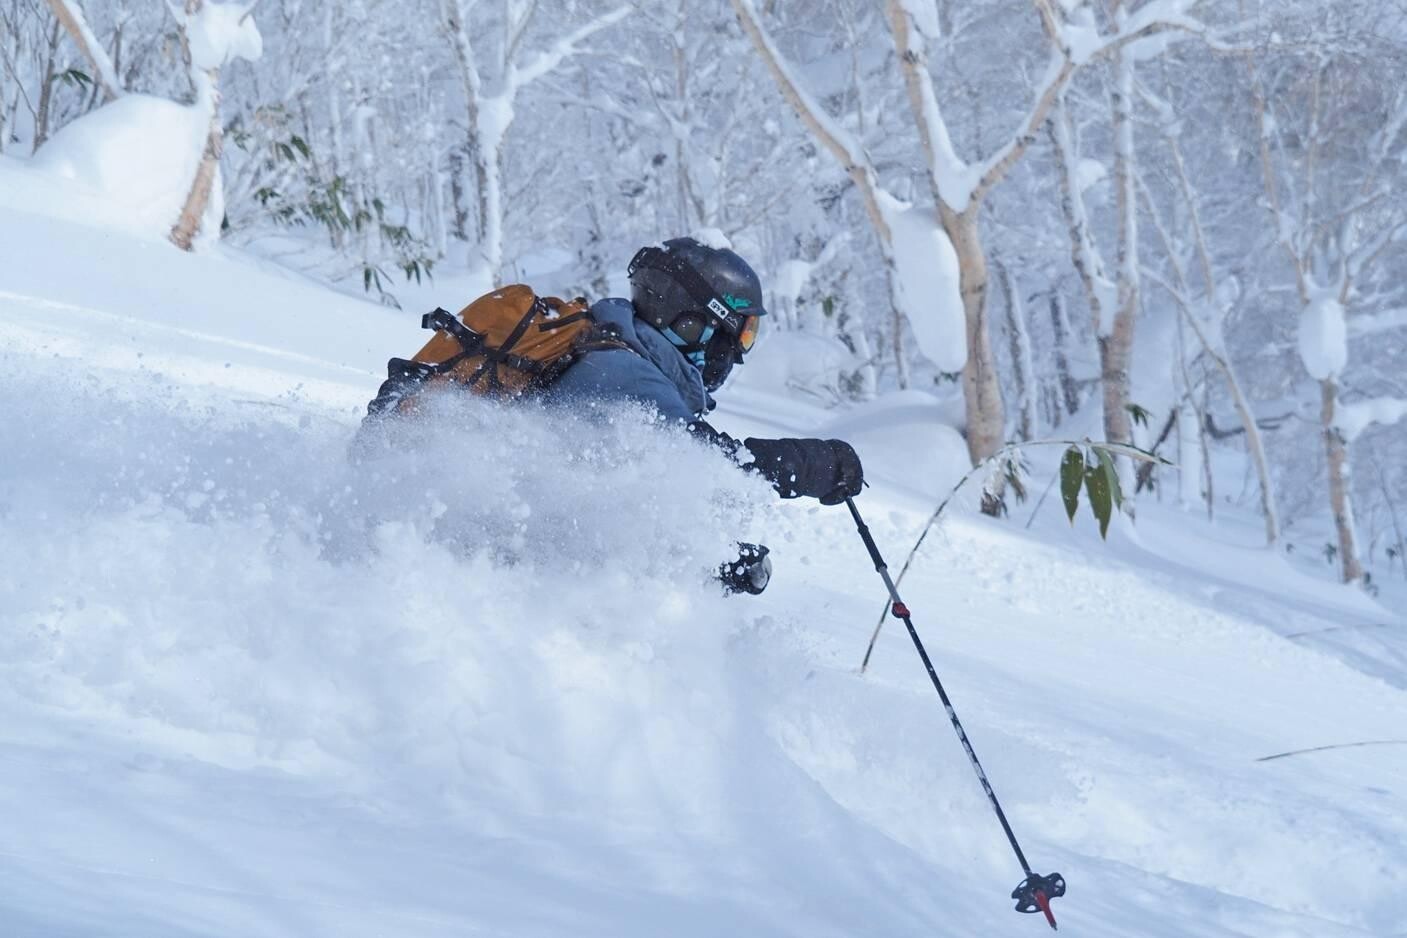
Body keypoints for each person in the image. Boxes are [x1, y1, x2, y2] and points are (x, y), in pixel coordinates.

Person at [360, 236, 865, 592]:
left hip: (466, 541)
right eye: (741, 333)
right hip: (449, 566)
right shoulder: (625, 374)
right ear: (693, 326)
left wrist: (713, 563)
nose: (738, 352)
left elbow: (608, 501)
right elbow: (710, 465)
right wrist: (811, 464)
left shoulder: (607, 355)